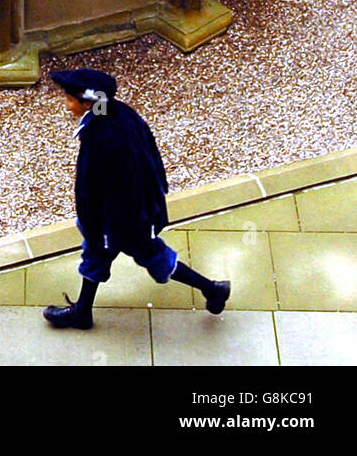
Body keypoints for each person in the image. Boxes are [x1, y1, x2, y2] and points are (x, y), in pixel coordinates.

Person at [43, 67, 231, 329]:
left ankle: (212, 289)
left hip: (122, 222)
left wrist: (105, 229)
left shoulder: (105, 138)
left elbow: (117, 189)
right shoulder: (113, 113)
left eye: (70, 99)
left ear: (87, 102)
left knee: (150, 257)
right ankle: (83, 311)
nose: (67, 105)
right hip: (124, 219)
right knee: (99, 256)